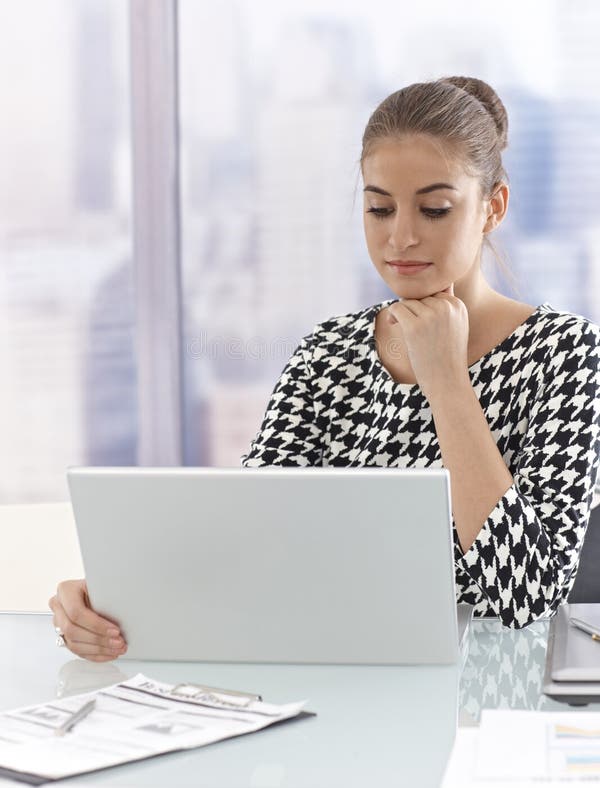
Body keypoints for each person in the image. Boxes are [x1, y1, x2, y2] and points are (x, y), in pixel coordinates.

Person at [50, 76, 600, 660]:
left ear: (493, 207)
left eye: (435, 209)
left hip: (487, 715)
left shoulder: (561, 353)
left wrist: (446, 382)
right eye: (378, 208)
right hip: (328, 685)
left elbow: (525, 594)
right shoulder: (328, 352)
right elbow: (247, 538)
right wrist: (115, 597)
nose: (401, 236)